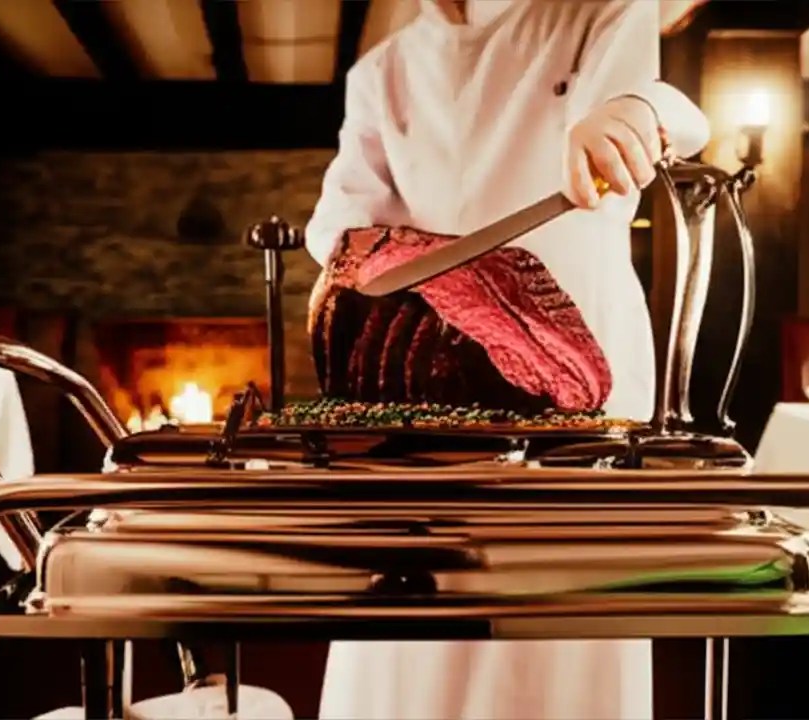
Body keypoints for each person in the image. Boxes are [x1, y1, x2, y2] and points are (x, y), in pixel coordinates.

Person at [305, 1, 711, 718]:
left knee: (564, 628)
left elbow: (674, 118)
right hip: (428, 384)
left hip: (582, 370)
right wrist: (392, 262)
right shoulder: (382, 69)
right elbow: (341, 223)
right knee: (408, 626)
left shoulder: (602, 8)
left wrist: (634, 112)